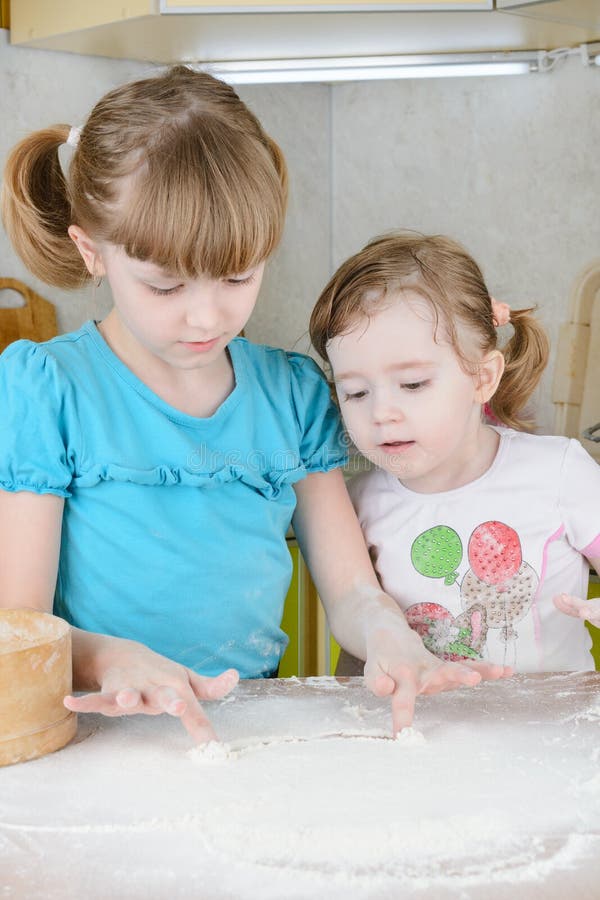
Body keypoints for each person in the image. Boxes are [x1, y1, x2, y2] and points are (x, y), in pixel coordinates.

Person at [0, 70, 508, 745]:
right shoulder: (51, 389)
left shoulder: (291, 395)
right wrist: (103, 656)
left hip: (252, 732)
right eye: (166, 285)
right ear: (92, 251)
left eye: (238, 275)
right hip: (99, 731)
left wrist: (389, 634)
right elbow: (18, 621)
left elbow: (352, 592)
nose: (207, 315)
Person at [310, 231, 600, 673]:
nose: (382, 412)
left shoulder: (559, 472)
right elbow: (362, 652)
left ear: (483, 378)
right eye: (355, 392)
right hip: (427, 738)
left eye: (412, 384)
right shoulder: (357, 505)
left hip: (553, 734)